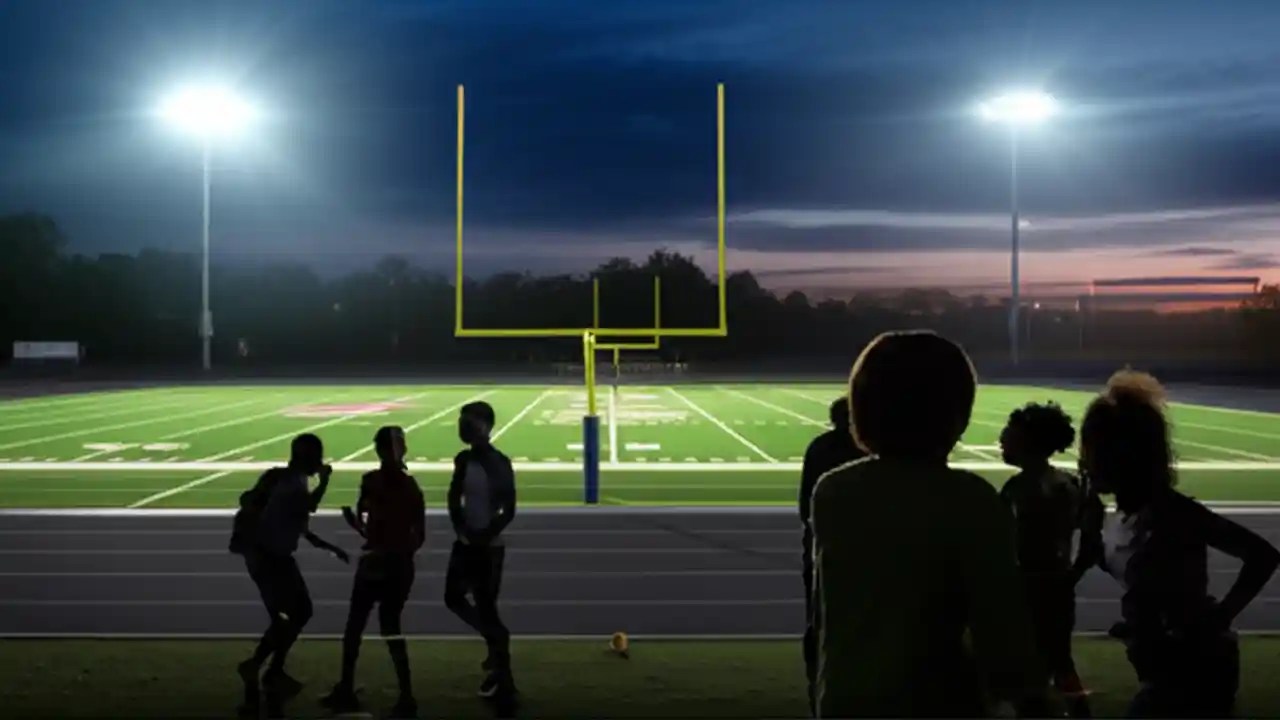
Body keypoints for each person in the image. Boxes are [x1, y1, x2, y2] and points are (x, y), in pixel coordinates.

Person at [810, 330, 1043, 718]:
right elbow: (1000, 629)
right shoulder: (971, 500)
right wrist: (1029, 697)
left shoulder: (833, 491)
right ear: (955, 412)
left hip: (844, 697)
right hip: (935, 700)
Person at [1081, 370, 1280, 718]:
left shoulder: (1174, 513)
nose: (1084, 462)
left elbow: (1263, 555)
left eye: (1093, 451)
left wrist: (1217, 619)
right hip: (1161, 671)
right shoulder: (1125, 515)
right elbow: (1140, 576)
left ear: (1122, 457)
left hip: (1195, 670)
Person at [231, 433, 348, 716]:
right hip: (267, 557)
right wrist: (325, 481)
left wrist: (329, 547)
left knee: (289, 616)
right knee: (296, 613)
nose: (320, 461)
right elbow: (308, 507)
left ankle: (268, 673)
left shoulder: (285, 479)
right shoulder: (290, 482)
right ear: (308, 457)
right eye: (317, 456)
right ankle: (260, 669)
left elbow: (300, 524)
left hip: (273, 556)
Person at [999, 402, 1102, 718]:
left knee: (1033, 669)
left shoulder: (1020, 489)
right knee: (1058, 661)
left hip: (1029, 589)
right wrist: (1070, 576)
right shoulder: (1070, 484)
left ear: (1027, 443)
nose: (1002, 441)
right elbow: (1091, 539)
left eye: (1009, 436)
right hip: (1056, 586)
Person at [321, 426, 425, 718]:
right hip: (398, 565)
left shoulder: (371, 481)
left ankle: (347, 688)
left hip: (377, 563)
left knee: (356, 627)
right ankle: (406, 694)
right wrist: (400, 552)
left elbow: (368, 529)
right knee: (390, 628)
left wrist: (359, 528)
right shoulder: (411, 486)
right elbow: (419, 535)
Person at [445, 401, 518, 712]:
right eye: (462, 421)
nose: (463, 427)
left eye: (470, 422)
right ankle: (494, 640)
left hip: (489, 547)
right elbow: (453, 496)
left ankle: (505, 678)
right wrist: (461, 527)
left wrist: (485, 535)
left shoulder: (499, 463)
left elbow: (509, 509)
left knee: (487, 608)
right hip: (465, 542)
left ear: (486, 426)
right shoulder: (463, 459)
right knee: (453, 597)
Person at [799, 395, 866, 715]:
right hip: (864, 552)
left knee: (820, 621)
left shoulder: (820, 447)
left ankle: (819, 693)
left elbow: (806, 507)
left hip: (822, 549)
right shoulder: (869, 453)